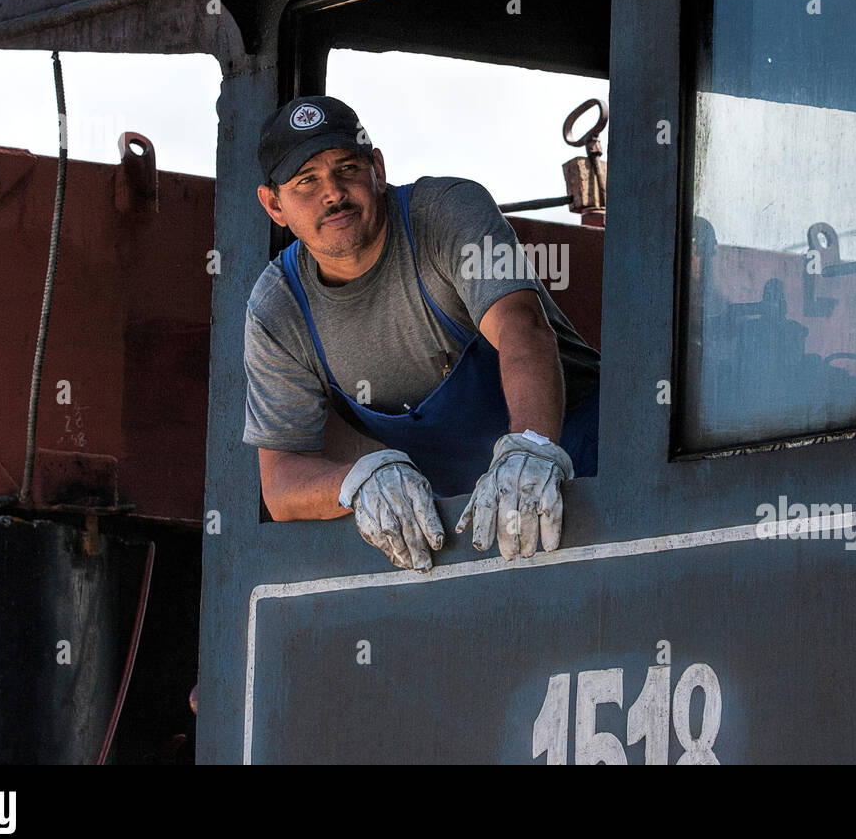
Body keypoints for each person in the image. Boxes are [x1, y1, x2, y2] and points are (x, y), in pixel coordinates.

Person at [242, 95, 600, 573]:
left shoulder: (447, 213)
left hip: (595, 473)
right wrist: (359, 480)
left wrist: (533, 448)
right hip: (464, 526)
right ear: (274, 205)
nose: (333, 193)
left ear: (378, 168)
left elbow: (522, 327)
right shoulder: (278, 309)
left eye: (347, 168)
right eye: (306, 181)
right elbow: (282, 484)